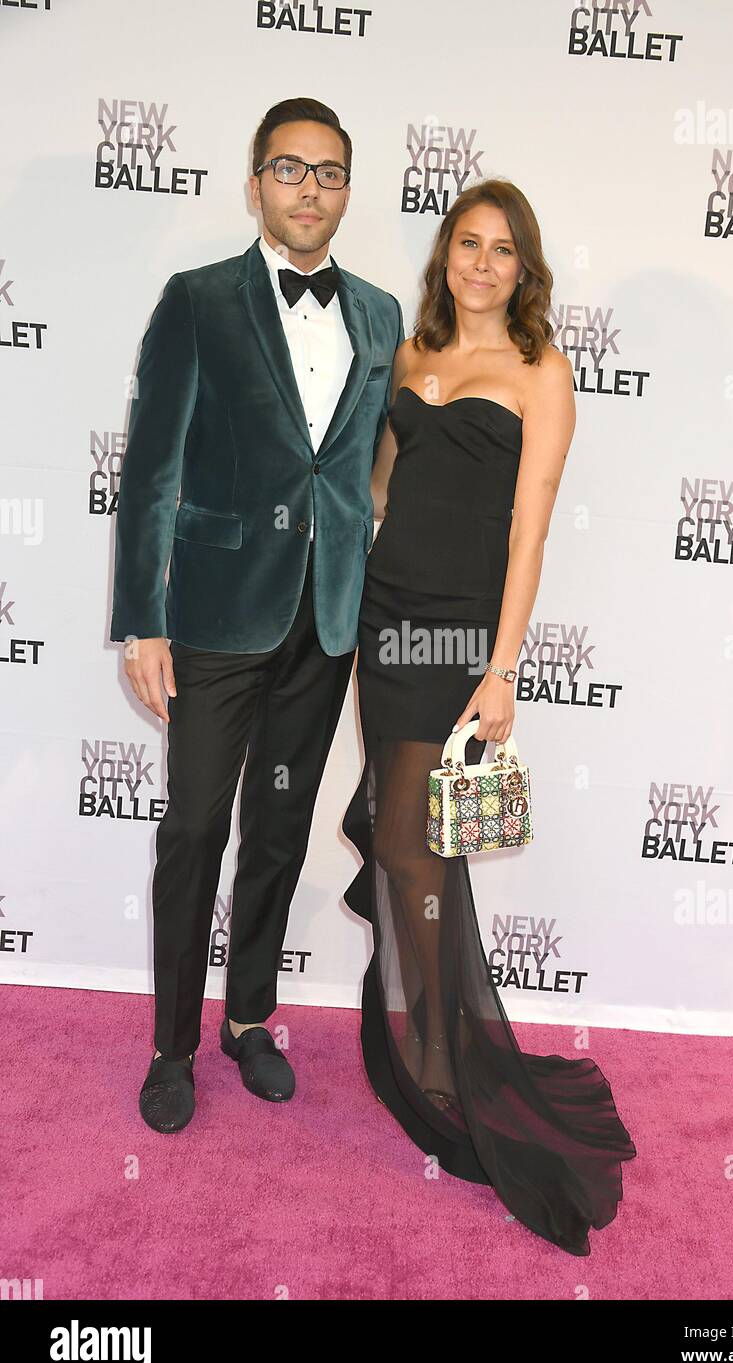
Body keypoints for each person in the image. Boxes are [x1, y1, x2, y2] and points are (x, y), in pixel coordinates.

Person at [341, 179, 636, 1256]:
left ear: (524, 268)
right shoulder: (410, 359)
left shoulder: (536, 370)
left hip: (460, 633)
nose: (479, 262)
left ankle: (437, 1054)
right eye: (466, 243)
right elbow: (378, 489)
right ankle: (432, 1035)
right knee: (404, 841)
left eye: (501, 250)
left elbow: (528, 532)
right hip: (384, 618)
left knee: (410, 845)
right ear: (444, 255)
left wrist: (501, 665)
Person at [110, 97, 403, 1133]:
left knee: (276, 829)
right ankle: (172, 1044)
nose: (308, 188)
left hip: (324, 623)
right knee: (193, 830)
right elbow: (150, 470)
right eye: (288, 169)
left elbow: (368, 465)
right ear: (254, 185)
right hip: (216, 621)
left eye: (327, 171)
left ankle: (248, 1019)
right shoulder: (197, 301)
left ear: (346, 191)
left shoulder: (377, 314)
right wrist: (141, 622)